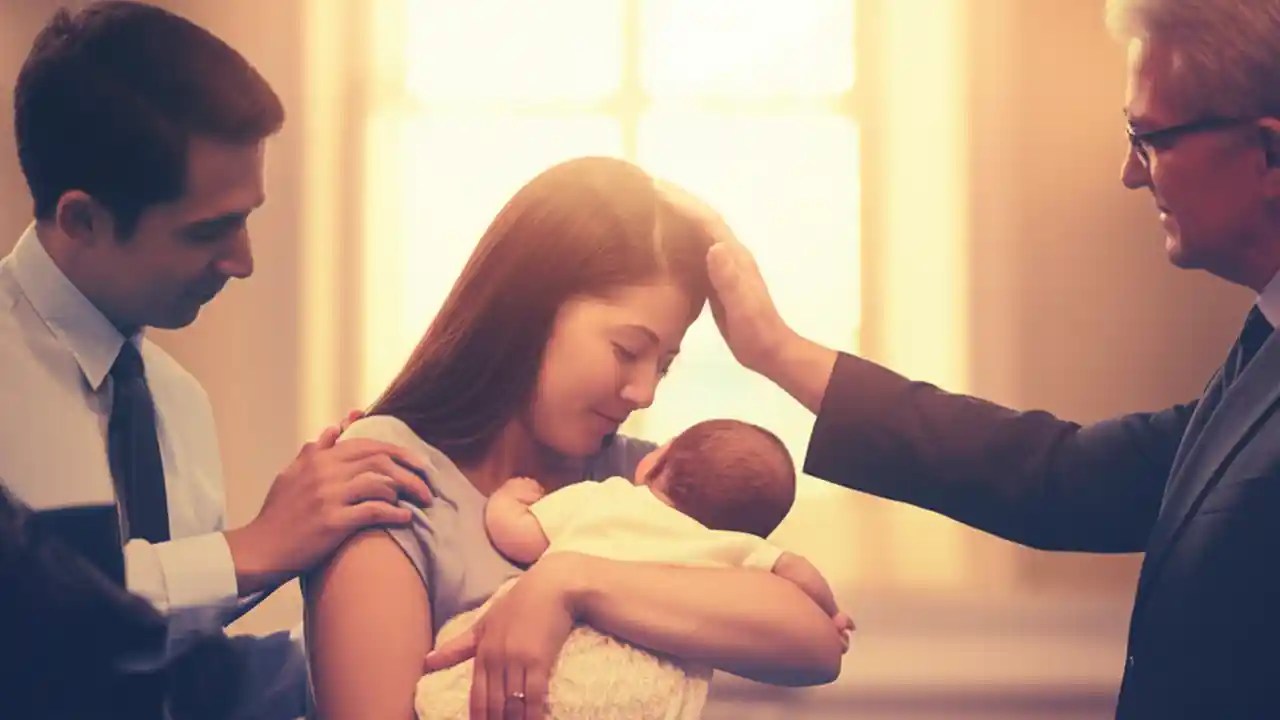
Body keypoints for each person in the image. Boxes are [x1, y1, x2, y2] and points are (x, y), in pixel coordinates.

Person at [698, 1, 1280, 716]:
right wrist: (777, 352)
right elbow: (1063, 478)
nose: (1131, 173)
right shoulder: (1262, 347)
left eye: (1149, 137)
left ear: (1269, 154)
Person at [0, 3, 431, 717]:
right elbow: (36, 631)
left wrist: (383, 643)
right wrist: (252, 548)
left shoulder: (176, 402)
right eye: (210, 229)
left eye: (247, 217)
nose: (243, 261)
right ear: (82, 219)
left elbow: (172, 669)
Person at [304, 157, 848, 720]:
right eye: (627, 351)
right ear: (530, 309)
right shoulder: (384, 470)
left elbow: (814, 644)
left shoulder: (646, 485)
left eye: (663, 365)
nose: (644, 393)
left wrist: (573, 583)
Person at [411, 418, 853, 720]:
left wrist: (509, 498)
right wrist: (830, 611)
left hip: (551, 658)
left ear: (655, 461)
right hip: (641, 686)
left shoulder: (606, 497)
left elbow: (519, 535)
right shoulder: (735, 549)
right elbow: (798, 571)